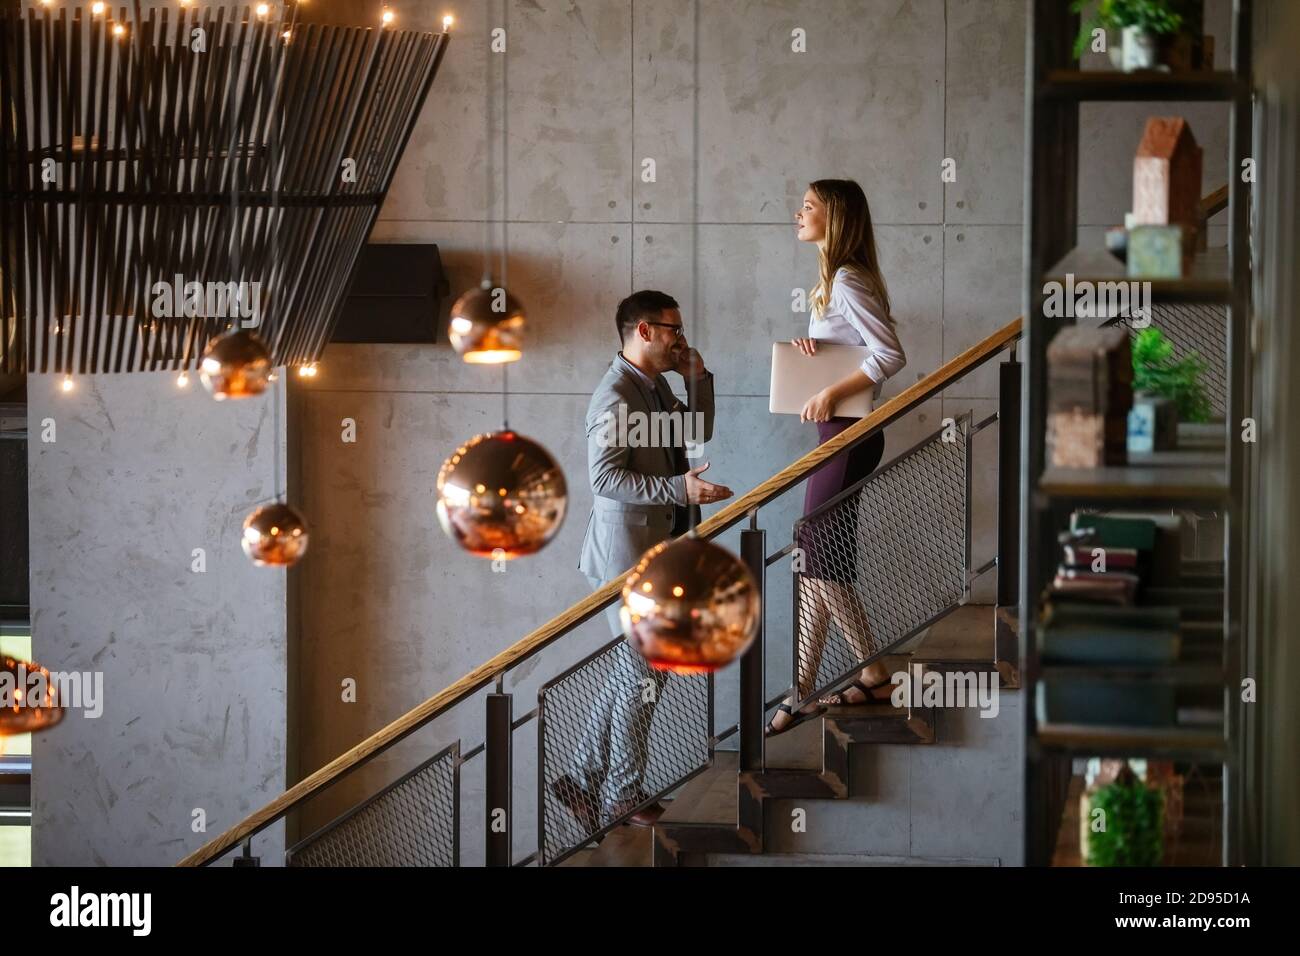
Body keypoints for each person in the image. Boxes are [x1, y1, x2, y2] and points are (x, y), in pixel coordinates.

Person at [552, 290, 733, 828]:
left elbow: (693, 434)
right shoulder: (615, 395)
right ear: (644, 331)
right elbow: (605, 479)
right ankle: (619, 797)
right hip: (625, 555)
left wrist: (696, 377)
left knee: (632, 670)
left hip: (652, 551)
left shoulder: (649, 387)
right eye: (673, 329)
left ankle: (583, 777)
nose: (681, 336)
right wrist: (679, 491)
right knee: (642, 675)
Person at [766, 179, 907, 737]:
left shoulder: (847, 277)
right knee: (820, 558)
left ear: (835, 216)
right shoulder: (834, 280)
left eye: (807, 207)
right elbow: (858, 347)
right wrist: (818, 354)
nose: (797, 214)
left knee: (816, 552)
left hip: (849, 433)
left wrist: (829, 391)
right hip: (835, 436)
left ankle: (864, 671)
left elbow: (890, 354)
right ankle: (809, 689)